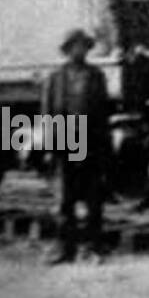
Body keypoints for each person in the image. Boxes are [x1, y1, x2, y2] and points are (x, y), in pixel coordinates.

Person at [40, 29, 112, 263]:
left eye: (82, 46)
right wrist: (50, 148)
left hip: (90, 140)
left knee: (93, 197)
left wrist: (105, 147)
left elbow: (103, 113)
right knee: (65, 199)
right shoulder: (55, 78)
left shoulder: (96, 76)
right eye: (74, 46)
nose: (78, 50)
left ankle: (93, 247)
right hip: (64, 140)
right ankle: (65, 247)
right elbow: (48, 115)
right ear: (67, 49)